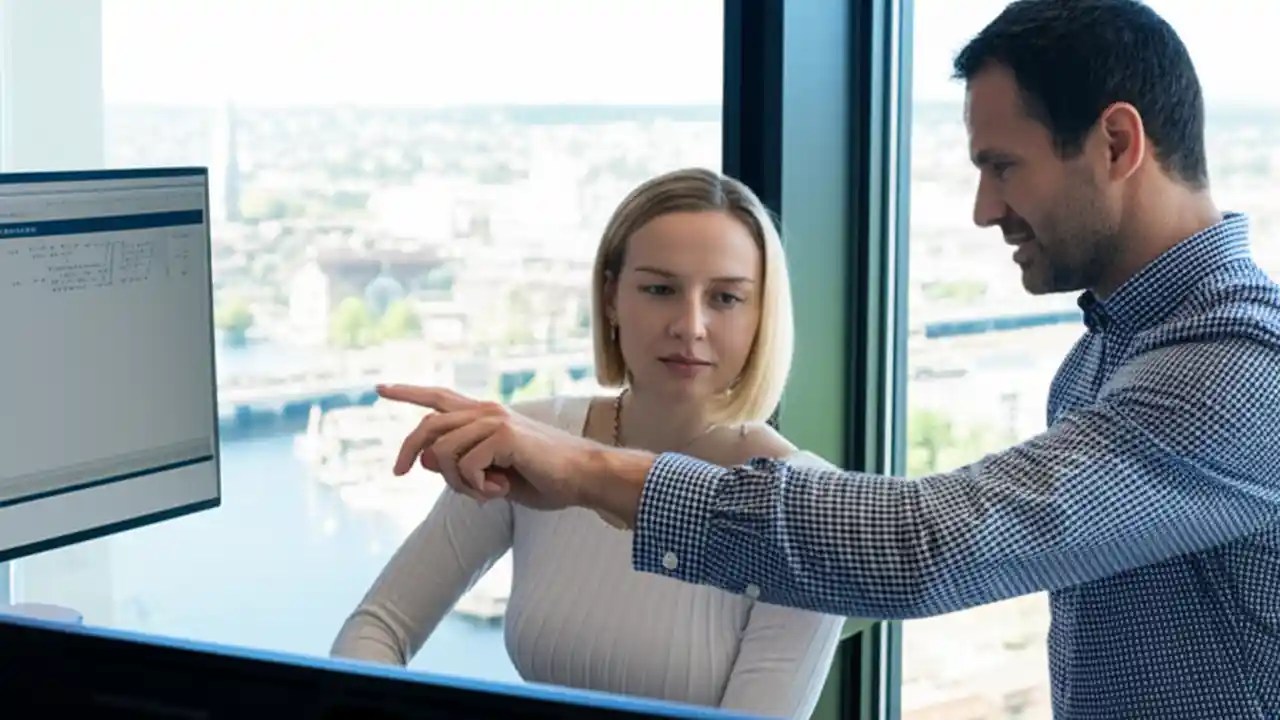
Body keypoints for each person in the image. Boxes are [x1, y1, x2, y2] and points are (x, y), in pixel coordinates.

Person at [373, 2, 1280, 719]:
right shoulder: (1106, 357)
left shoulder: (1238, 372)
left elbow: (923, 548)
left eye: (1003, 166)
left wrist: (588, 473)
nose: (982, 207)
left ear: (1117, 145)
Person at [331, 167, 845, 719]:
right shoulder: (528, 439)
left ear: (762, 314)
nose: (690, 325)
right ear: (610, 299)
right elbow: (377, 628)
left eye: (725, 298)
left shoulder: (805, 509)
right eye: (659, 289)